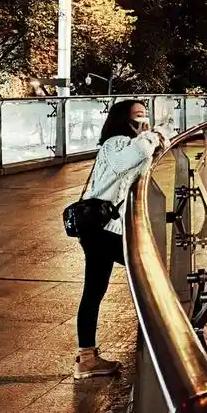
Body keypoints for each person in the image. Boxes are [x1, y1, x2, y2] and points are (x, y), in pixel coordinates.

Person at [74, 100, 168, 379]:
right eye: (138, 116)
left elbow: (147, 154)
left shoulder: (134, 143)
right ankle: (163, 340)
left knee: (94, 290)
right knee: (151, 273)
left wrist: (156, 137)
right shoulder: (115, 143)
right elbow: (127, 160)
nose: (144, 120)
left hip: (103, 231)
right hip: (101, 230)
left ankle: (86, 358)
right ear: (122, 120)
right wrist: (153, 135)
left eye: (145, 114)